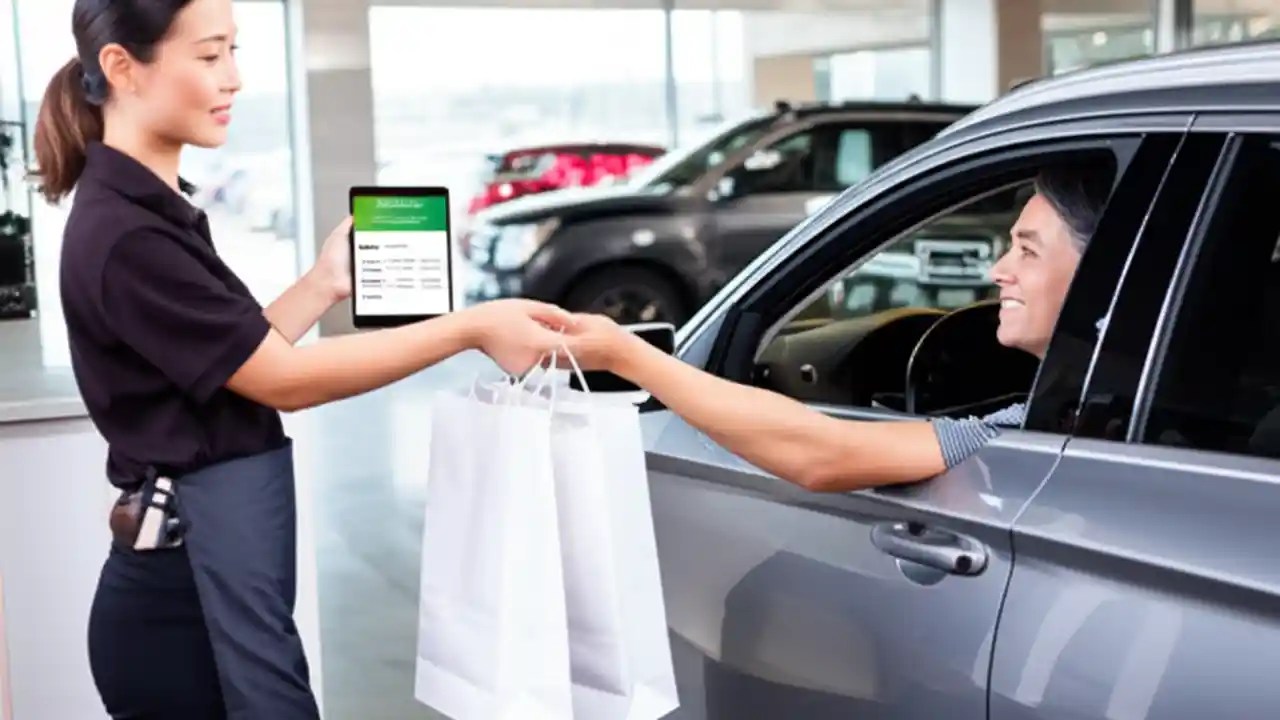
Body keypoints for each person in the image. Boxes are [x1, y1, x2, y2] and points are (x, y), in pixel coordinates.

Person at [34, 1, 573, 718]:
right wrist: (468, 328)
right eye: (208, 55)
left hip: (204, 581)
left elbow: (231, 360)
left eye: (234, 50)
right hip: (188, 609)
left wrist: (324, 283)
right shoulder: (128, 234)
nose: (233, 78)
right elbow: (281, 381)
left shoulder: (148, 211)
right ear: (121, 67)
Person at [563, 165, 1109, 491]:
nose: (999, 270)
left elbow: (825, 455)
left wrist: (624, 354)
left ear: (1102, 276)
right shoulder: (1122, 415)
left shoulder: (1041, 429)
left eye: (1027, 251)